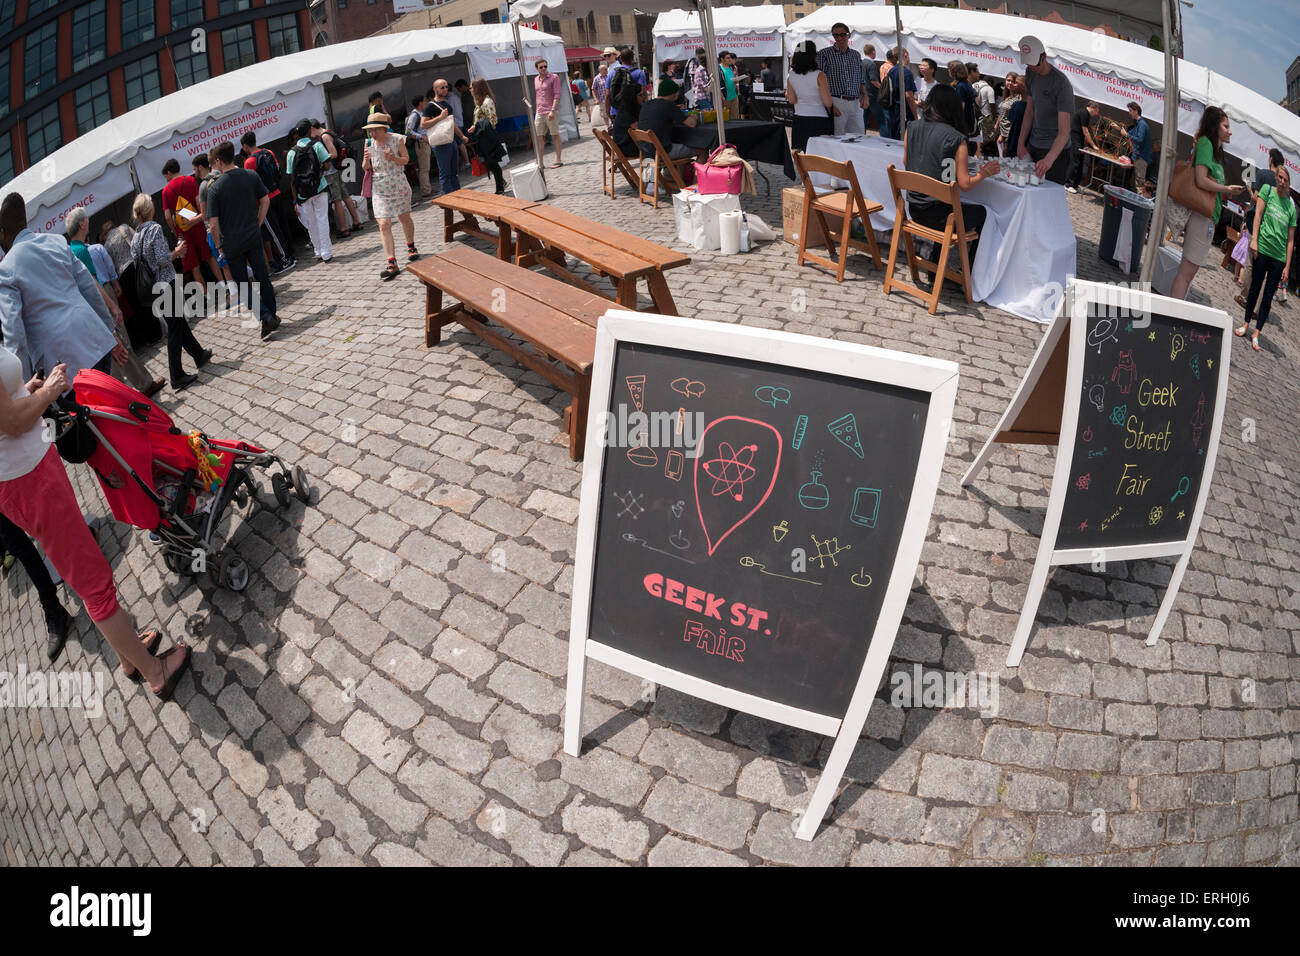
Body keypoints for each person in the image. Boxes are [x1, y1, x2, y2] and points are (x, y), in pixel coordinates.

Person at [0, 345, 189, 694]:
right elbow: (11, 422)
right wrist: (48, 392)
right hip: (25, 478)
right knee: (91, 578)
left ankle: (129, 654)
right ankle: (155, 672)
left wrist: (27, 390)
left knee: (87, 566)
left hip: (29, 469)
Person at [0, 194, 126, 395]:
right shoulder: (57, 242)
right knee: (112, 411)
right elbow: (89, 289)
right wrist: (109, 332)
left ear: (2, 232)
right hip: (95, 341)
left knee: (89, 424)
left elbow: (15, 336)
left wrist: (22, 389)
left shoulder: (5, 270)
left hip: (62, 365)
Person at [66, 209, 162, 397]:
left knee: (110, 350)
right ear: (81, 225)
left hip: (89, 308)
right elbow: (93, 283)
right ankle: (143, 384)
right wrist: (112, 305)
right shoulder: (81, 251)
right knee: (121, 344)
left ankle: (122, 392)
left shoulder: (71, 250)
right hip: (99, 301)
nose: (88, 220)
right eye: (86, 218)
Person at [903, 84, 999, 265]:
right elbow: (965, 184)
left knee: (949, 205)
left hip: (914, 208)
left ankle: (935, 266)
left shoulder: (912, 127)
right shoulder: (955, 138)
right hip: (939, 216)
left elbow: (905, 162)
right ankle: (971, 272)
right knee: (984, 213)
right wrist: (985, 172)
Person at [129, 194, 211, 390]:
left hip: (153, 288)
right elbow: (161, 259)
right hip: (166, 282)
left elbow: (140, 262)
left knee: (178, 321)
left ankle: (198, 354)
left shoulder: (136, 237)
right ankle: (176, 374)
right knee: (175, 327)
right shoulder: (155, 229)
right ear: (150, 210)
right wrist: (177, 252)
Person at [1170, 107, 1248, 300]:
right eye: (1226, 126)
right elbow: (1201, 180)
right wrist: (1227, 189)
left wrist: (1226, 190)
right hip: (1201, 215)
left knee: (1188, 272)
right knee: (1186, 272)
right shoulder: (1206, 143)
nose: (1230, 131)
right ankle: (1171, 315)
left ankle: (1173, 312)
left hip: (1207, 217)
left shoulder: (1216, 151)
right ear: (1215, 126)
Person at [206, 141, 281, 340]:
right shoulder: (250, 175)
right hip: (252, 235)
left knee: (243, 285)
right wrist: (258, 222)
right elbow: (265, 200)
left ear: (219, 161)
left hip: (231, 243)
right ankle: (271, 315)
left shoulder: (215, 188)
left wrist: (219, 246)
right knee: (262, 276)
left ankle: (266, 316)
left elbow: (213, 224)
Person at [1234, 165, 1295, 352]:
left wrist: (1287, 266)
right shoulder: (1268, 192)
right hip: (1262, 250)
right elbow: (1258, 215)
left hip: (1278, 257)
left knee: (1268, 297)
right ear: (1276, 178)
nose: (1283, 182)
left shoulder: (1291, 208)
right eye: (1281, 178)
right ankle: (1245, 324)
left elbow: (1291, 241)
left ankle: (1257, 333)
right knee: (1254, 288)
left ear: (1289, 183)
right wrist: (1254, 240)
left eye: (1286, 179)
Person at [359, 114, 420, 282]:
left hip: (398, 183)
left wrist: (393, 157)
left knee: (404, 217)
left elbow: (406, 160)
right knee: (384, 224)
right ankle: (392, 263)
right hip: (379, 187)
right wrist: (366, 159)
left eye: (374, 129)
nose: (372, 133)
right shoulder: (369, 143)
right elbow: (366, 168)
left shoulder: (397, 139)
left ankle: (411, 246)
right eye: (370, 130)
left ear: (383, 128)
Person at [1016, 35, 1073, 185]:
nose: (1032, 68)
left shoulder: (1061, 83)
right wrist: (1021, 143)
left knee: (1049, 197)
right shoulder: (1030, 73)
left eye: (1035, 64)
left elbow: (1064, 131)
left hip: (1056, 152)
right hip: (1034, 145)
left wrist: (1049, 159)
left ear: (1044, 57)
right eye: (1028, 64)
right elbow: (1030, 110)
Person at [241, 131, 296, 274]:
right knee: (284, 226)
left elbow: (250, 185)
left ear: (245, 146)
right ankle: (291, 253)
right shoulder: (269, 152)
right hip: (277, 193)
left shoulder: (249, 162)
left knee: (274, 231)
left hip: (264, 200)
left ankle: (286, 259)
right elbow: (278, 170)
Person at [1235, 149, 1285, 304]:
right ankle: (1258, 305)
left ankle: (1245, 297)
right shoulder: (1283, 182)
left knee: (1250, 263)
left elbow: (1256, 198)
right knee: (1265, 270)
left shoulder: (1263, 174)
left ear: (1270, 160)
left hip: (1257, 223)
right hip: (1273, 229)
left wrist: (1250, 190)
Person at [159, 157, 211, 295]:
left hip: (182, 230)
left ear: (169, 173)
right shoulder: (190, 180)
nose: (167, 180)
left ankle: (206, 295)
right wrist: (201, 217)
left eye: (166, 177)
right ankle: (223, 284)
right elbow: (198, 202)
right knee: (209, 255)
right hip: (197, 223)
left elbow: (167, 216)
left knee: (194, 265)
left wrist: (174, 231)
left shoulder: (166, 191)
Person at [285, 120, 334, 263]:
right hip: (319, 187)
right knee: (322, 220)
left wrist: (295, 200)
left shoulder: (291, 153)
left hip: (302, 193)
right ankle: (326, 253)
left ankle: (318, 251)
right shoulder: (317, 145)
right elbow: (326, 165)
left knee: (311, 223)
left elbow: (292, 179)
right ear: (309, 131)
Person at [191, 154, 238, 296]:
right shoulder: (222, 175)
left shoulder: (203, 186)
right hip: (230, 223)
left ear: (200, 167)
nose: (194, 173)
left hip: (214, 229)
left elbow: (205, 215)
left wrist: (194, 220)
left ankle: (235, 291)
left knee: (224, 264)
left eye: (194, 169)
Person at [312, 121, 363, 239]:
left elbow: (333, 154)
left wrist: (322, 159)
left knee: (337, 200)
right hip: (337, 169)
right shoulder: (329, 132)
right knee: (345, 195)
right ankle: (356, 222)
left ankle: (343, 228)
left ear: (312, 128)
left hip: (331, 172)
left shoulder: (324, 136)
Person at [422, 79, 471, 195]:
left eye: (446, 87)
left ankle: (458, 194)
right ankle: (449, 197)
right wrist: (440, 117)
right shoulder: (430, 106)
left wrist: (462, 136)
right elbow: (423, 124)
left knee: (454, 171)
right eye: (442, 87)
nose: (445, 89)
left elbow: (451, 122)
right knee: (445, 172)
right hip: (440, 143)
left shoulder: (447, 103)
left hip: (451, 140)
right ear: (435, 89)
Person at [816, 23, 865, 136]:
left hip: (855, 102)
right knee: (838, 138)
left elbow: (861, 78)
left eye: (842, 35)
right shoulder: (824, 54)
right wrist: (830, 105)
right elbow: (820, 82)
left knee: (859, 137)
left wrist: (865, 95)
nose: (839, 38)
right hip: (836, 101)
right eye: (835, 36)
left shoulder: (856, 55)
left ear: (849, 35)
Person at [637, 79, 699, 161]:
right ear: (674, 93)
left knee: (679, 143)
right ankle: (697, 174)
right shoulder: (669, 105)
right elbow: (692, 124)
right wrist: (695, 115)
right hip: (663, 152)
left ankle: (672, 173)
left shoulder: (647, 104)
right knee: (702, 150)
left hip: (646, 152)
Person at [786, 46, 833, 153]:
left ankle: (803, 170)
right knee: (819, 154)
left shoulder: (791, 75)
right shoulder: (820, 75)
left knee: (802, 152)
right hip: (818, 119)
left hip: (800, 117)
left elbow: (792, 100)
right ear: (813, 56)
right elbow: (828, 102)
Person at [467, 78, 508, 195]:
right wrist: (474, 126)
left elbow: (493, 120)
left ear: (477, 88)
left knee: (492, 161)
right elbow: (480, 119)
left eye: (471, 87)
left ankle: (500, 187)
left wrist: (477, 126)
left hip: (488, 136)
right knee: (488, 161)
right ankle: (501, 182)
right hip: (482, 135)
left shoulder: (487, 101)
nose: (470, 89)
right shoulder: (479, 102)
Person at [533, 59, 564, 168]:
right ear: (537, 68)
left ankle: (558, 160)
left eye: (545, 66)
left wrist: (552, 110)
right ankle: (540, 163)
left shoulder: (554, 77)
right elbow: (537, 95)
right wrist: (537, 109)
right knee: (538, 137)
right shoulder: (535, 79)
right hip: (539, 112)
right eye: (541, 67)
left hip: (551, 111)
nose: (544, 68)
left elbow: (557, 95)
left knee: (555, 135)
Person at [1066, 101, 1101, 193]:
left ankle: (1075, 185)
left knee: (1080, 162)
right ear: (1093, 108)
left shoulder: (1087, 115)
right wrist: (1093, 145)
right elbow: (1085, 131)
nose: (1096, 113)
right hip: (1076, 138)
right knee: (1075, 161)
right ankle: (1068, 184)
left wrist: (1086, 144)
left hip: (1080, 139)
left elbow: (1085, 133)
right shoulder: (1084, 113)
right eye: (1097, 111)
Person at [884, 48, 918, 140]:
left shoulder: (892, 70)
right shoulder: (906, 73)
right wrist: (915, 116)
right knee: (905, 142)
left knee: (895, 140)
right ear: (906, 55)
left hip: (893, 111)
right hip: (904, 113)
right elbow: (909, 96)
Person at [407, 94, 435, 198]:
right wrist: (422, 137)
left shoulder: (421, 113)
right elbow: (409, 131)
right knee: (424, 168)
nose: (426, 102)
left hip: (424, 143)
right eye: (424, 101)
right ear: (420, 103)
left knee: (426, 167)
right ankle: (426, 191)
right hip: (420, 144)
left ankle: (428, 189)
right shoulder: (415, 115)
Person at [968, 63, 997, 157]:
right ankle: (980, 150)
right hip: (986, 115)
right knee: (989, 136)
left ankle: (978, 150)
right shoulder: (989, 89)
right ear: (991, 83)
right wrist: (993, 115)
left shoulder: (973, 85)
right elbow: (992, 103)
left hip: (974, 116)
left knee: (976, 135)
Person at [948, 61, 977, 148]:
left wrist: (953, 122)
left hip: (961, 125)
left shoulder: (960, 86)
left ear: (955, 71)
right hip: (966, 124)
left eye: (949, 69)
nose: (948, 71)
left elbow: (961, 107)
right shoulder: (966, 84)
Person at [1000, 74, 1027, 159]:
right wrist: (1007, 144)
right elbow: (1011, 126)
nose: (1013, 85)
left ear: (1023, 84)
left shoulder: (1032, 107)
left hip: (1024, 146)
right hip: (1012, 145)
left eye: (1016, 82)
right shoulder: (1015, 104)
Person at [1127, 102, 1152, 192]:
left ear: (1136, 111)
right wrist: (1119, 128)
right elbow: (1130, 133)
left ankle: (1140, 204)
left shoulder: (1142, 124)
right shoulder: (1138, 124)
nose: (1129, 113)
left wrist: (1126, 135)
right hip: (1138, 157)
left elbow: (1139, 140)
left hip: (1141, 158)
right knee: (1134, 183)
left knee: (1140, 184)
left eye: (1130, 111)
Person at [862, 45, 886, 133]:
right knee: (881, 120)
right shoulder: (871, 64)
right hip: (872, 96)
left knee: (863, 119)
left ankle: (862, 137)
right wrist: (883, 88)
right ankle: (885, 139)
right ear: (873, 52)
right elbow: (874, 81)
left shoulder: (861, 62)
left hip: (863, 95)